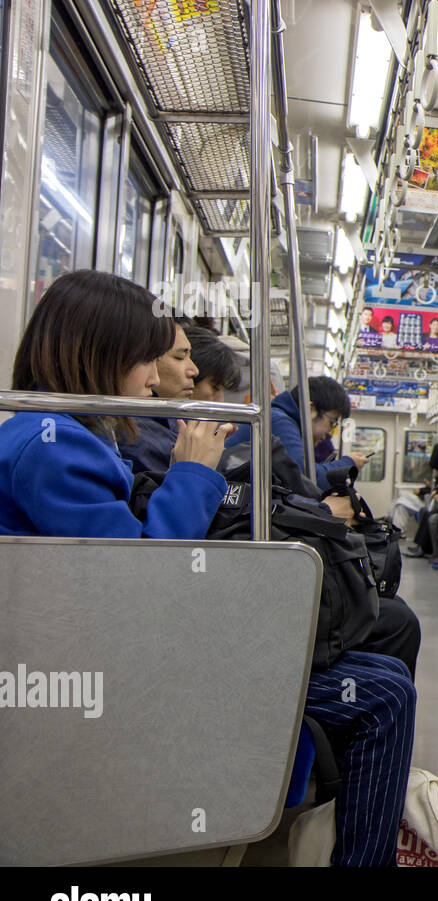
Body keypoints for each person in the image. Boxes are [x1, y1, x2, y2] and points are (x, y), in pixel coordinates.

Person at [0, 270, 415, 867]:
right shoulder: (53, 445)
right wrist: (194, 471)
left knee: (377, 666)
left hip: (104, 648)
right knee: (381, 692)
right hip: (107, 671)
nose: (157, 377)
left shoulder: (64, 432)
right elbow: (139, 582)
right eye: (148, 358)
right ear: (104, 353)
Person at [225, 375, 371, 493]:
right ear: (310, 408)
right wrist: (349, 464)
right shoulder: (279, 421)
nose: (329, 433)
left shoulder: (277, 417)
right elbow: (303, 478)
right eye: (331, 423)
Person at [118, 318, 199, 473]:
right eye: (180, 357)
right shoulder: (132, 439)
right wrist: (191, 470)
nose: (194, 370)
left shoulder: (169, 416)